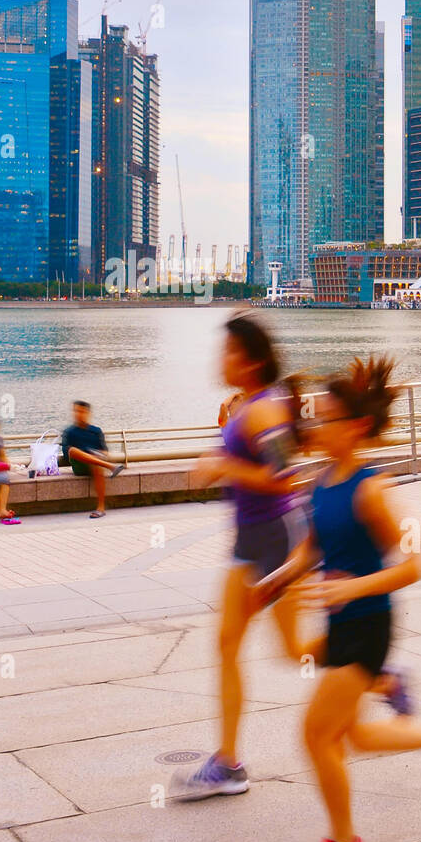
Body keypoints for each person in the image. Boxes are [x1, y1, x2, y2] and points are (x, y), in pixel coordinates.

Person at [274, 357, 421, 842]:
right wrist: (272, 582)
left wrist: (353, 586)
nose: (315, 426)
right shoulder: (321, 482)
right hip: (342, 626)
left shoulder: (373, 489)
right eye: (315, 417)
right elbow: (310, 550)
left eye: (325, 419)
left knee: (316, 735)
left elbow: (417, 561)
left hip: (369, 626)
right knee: (357, 738)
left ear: (357, 427)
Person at [173, 313, 308, 800]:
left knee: (294, 650)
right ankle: (228, 763)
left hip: (275, 537)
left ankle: (377, 674)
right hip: (250, 539)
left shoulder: (265, 412)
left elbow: (285, 477)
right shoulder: (248, 407)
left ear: (250, 359)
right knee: (228, 643)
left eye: (228, 350)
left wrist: (223, 464)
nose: (220, 359)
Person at [60, 401, 126, 518]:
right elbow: (67, 454)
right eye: (76, 411)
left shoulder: (96, 431)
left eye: (81, 411)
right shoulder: (69, 432)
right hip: (79, 465)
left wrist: (97, 455)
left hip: (96, 465)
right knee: (73, 450)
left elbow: (105, 452)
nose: (78, 414)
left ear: (88, 413)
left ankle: (101, 508)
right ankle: (111, 467)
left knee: (96, 464)